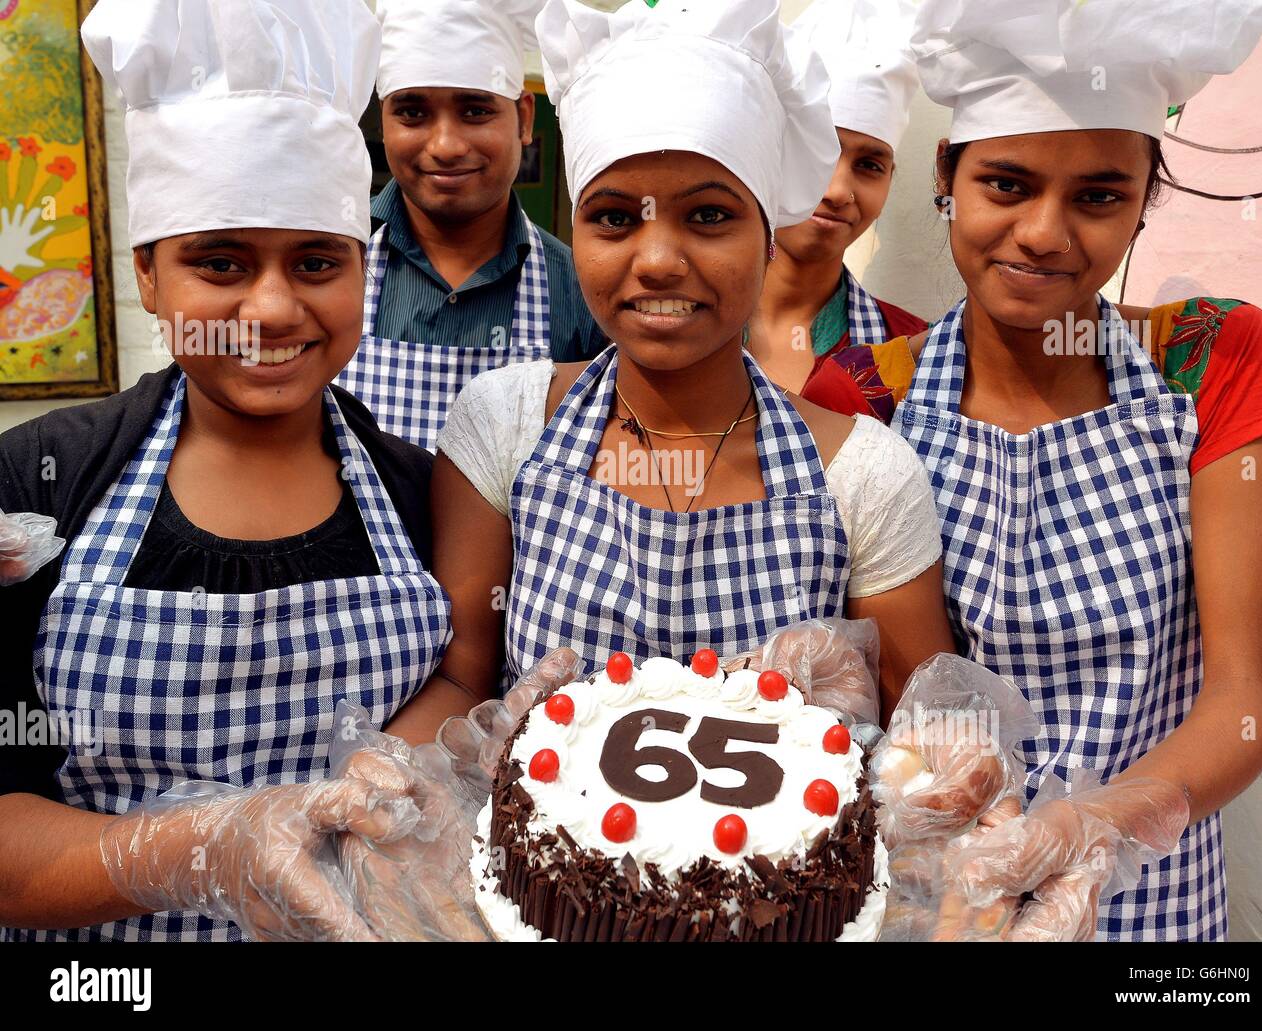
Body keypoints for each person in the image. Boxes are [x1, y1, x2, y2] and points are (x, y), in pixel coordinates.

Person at [0, 0, 459, 942]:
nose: (273, 306)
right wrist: (205, 847)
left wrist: (394, 774)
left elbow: (455, 679)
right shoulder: (37, 482)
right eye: (220, 262)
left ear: (361, 271)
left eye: (317, 262)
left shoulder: (420, 489)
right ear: (149, 277)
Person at [395, 0, 958, 743]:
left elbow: (929, 728)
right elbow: (463, 680)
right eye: (616, 218)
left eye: (708, 217)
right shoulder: (503, 424)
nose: (657, 261)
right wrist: (384, 780)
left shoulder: (864, 477)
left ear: (769, 236)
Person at [879, 0, 1262, 941]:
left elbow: (1242, 700)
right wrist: (989, 848)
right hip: (946, 898)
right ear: (947, 176)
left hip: (1155, 901)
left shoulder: (1216, 361)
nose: (1044, 233)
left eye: (1099, 196)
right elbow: (901, 692)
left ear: (1149, 195)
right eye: (1007, 185)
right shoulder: (871, 393)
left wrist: (1089, 827)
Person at [334, 0, 605, 451]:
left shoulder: (584, 292)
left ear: (524, 118)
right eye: (412, 113)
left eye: (475, 111)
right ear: (381, 119)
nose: (446, 146)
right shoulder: (325, 262)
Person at [745, 0, 927, 414]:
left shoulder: (911, 351)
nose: (838, 190)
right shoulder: (675, 320)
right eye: (816, 152)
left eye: (869, 165)